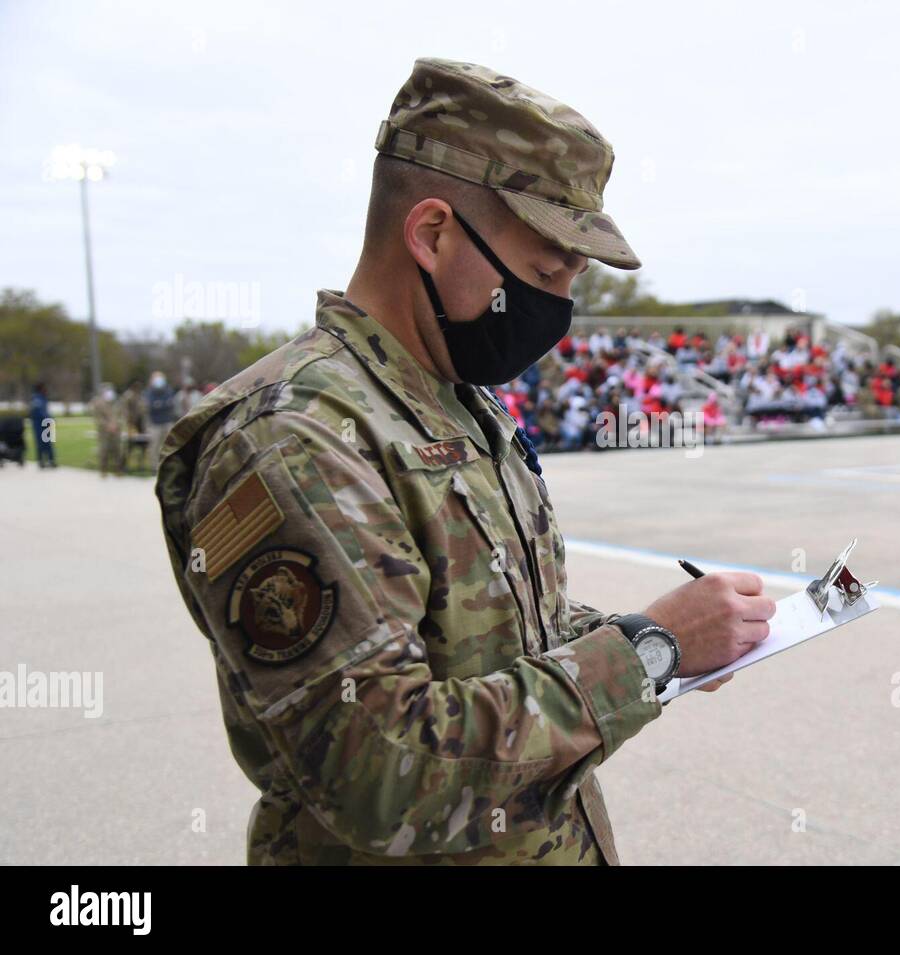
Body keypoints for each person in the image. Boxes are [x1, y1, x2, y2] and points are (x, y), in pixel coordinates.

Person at [154, 58, 774, 867]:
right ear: (433, 233)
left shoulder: (456, 400)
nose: (557, 304)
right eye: (545, 271)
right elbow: (378, 771)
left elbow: (502, 635)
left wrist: (667, 638)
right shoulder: (295, 436)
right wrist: (646, 653)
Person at [144, 370, 176, 472]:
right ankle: (154, 467)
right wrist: (161, 405)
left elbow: (170, 404)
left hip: (167, 422)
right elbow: (151, 406)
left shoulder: (168, 390)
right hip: (154, 423)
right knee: (154, 446)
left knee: (169, 445)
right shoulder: (149, 392)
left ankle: (168, 467)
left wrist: (159, 405)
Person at [90, 382, 123, 476]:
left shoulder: (117, 403)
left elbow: (122, 415)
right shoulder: (98, 403)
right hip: (104, 431)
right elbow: (97, 418)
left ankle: (118, 469)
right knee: (104, 449)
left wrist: (116, 424)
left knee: (117, 450)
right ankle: (103, 469)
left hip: (116, 430)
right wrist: (107, 425)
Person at [29, 382, 55, 468]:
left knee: (48, 442)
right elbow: (40, 413)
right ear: (40, 389)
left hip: (46, 423)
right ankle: (41, 461)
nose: (46, 390)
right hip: (40, 425)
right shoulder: (36, 399)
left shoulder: (42, 398)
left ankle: (51, 460)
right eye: (44, 388)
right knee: (41, 443)